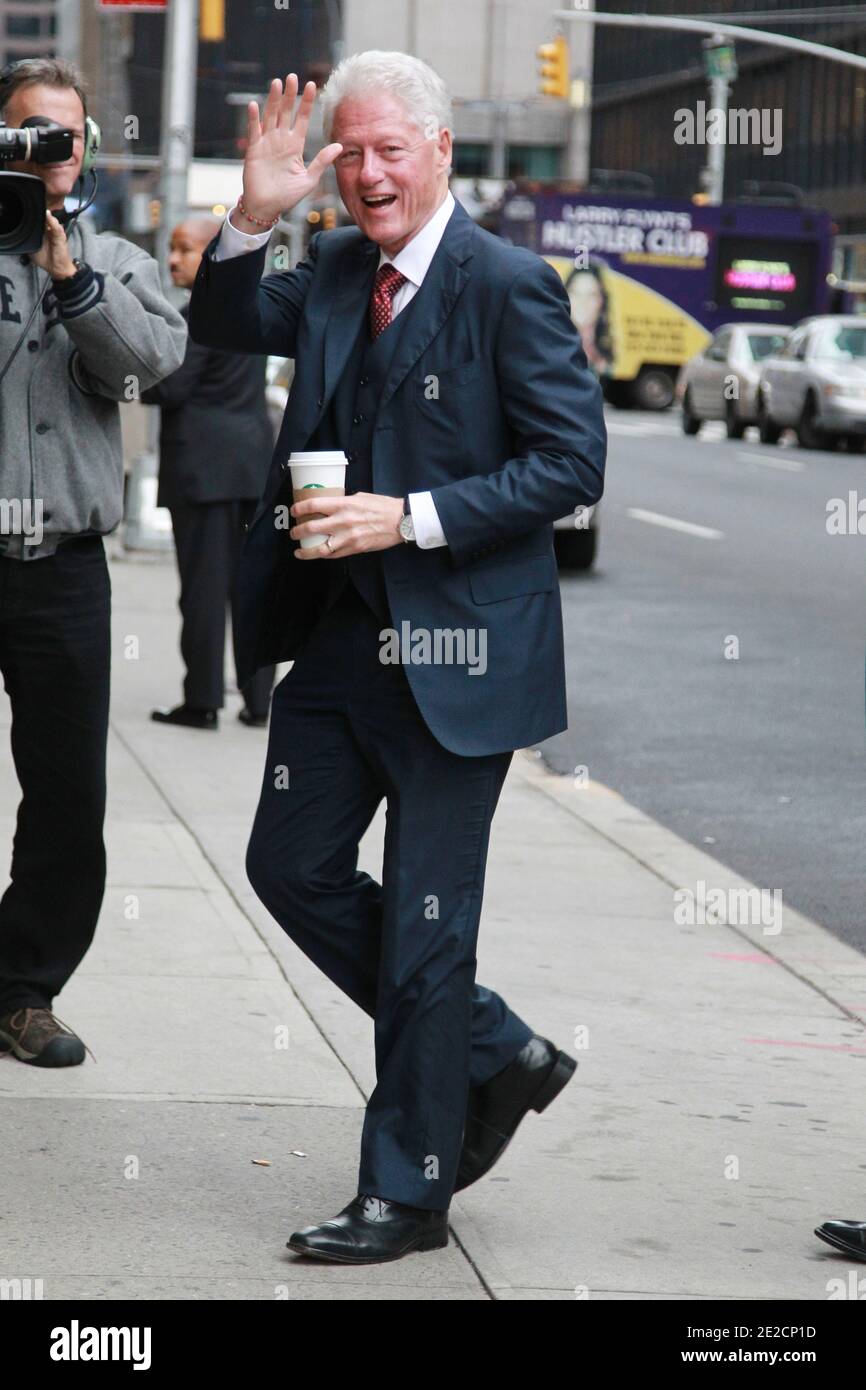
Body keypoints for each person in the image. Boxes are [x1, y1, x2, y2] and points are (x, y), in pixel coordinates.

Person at [188, 51, 606, 1264]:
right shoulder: (331, 268)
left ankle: (404, 1192)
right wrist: (252, 213)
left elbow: (571, 463)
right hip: (336, 645)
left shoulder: (508, 284)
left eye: (389, 150)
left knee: (426, 927)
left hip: (461, 652)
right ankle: (493, 1049)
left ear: (438, 150)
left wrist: (408, 517)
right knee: (287, 864)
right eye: (350, 153)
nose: (368, 174)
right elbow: (222, 320)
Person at [0, 58, 186, 1067]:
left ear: (89, 150)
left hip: (65, 568)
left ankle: (23, 989)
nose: (48, 153)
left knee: (68, 797)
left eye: (63, 137)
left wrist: (73, 282)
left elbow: (149, 365)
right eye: (27, 132)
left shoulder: (117, 260)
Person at [142, 214, 275, 730]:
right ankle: (259, 702)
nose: (172, 259)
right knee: (251, 589)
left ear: (211, 255)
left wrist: (124, 368)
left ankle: (201, 702)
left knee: (202, 588)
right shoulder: (245, 308)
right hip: (250, 465)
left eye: (184, 249)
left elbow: (171, 387)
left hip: (202, 469)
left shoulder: (197, 315)